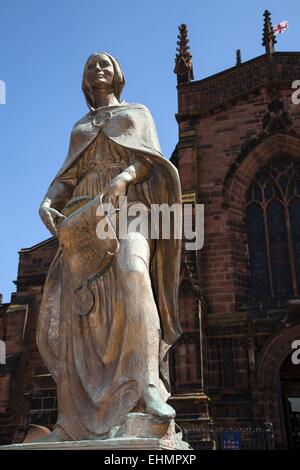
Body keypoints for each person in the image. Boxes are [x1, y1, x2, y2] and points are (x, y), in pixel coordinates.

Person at [38, 52, 182, 441]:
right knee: (78, 313)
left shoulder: (137, 112)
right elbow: (66, 177)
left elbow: (152, 160)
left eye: (105, 63)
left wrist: (124, 176)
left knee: (134, 273)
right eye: (90, 65)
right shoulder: (80, 127)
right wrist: (48, 201)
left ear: (118, 74)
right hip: (84, 216)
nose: (97, 69)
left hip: (129, 204)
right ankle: (71, 420)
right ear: (85, 80)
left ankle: (147, 385)